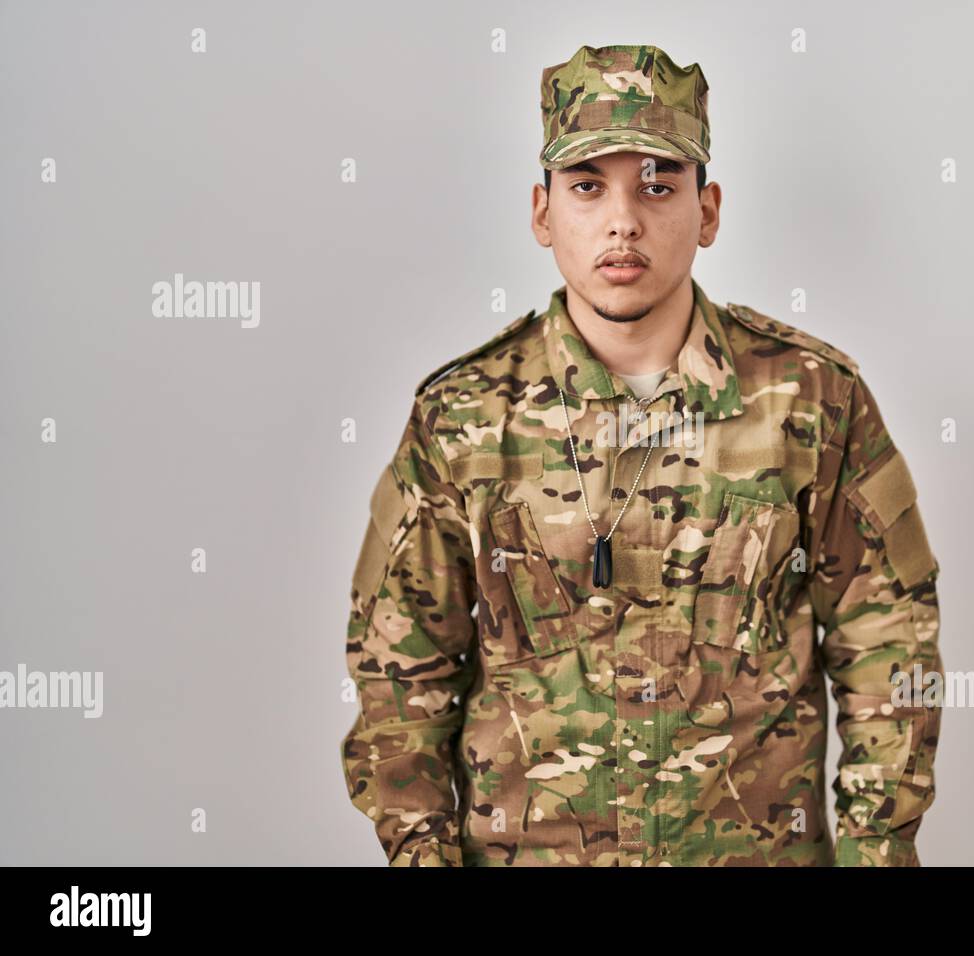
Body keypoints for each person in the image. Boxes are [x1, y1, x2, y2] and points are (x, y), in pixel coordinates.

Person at [340, 43, 943, 866]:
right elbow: (398, 681)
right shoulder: (463, 418)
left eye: (658, 185)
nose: (623, 220)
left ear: (709, 211)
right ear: (543, 213)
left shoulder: (813, 401)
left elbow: (891, 653)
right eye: (588, 186)